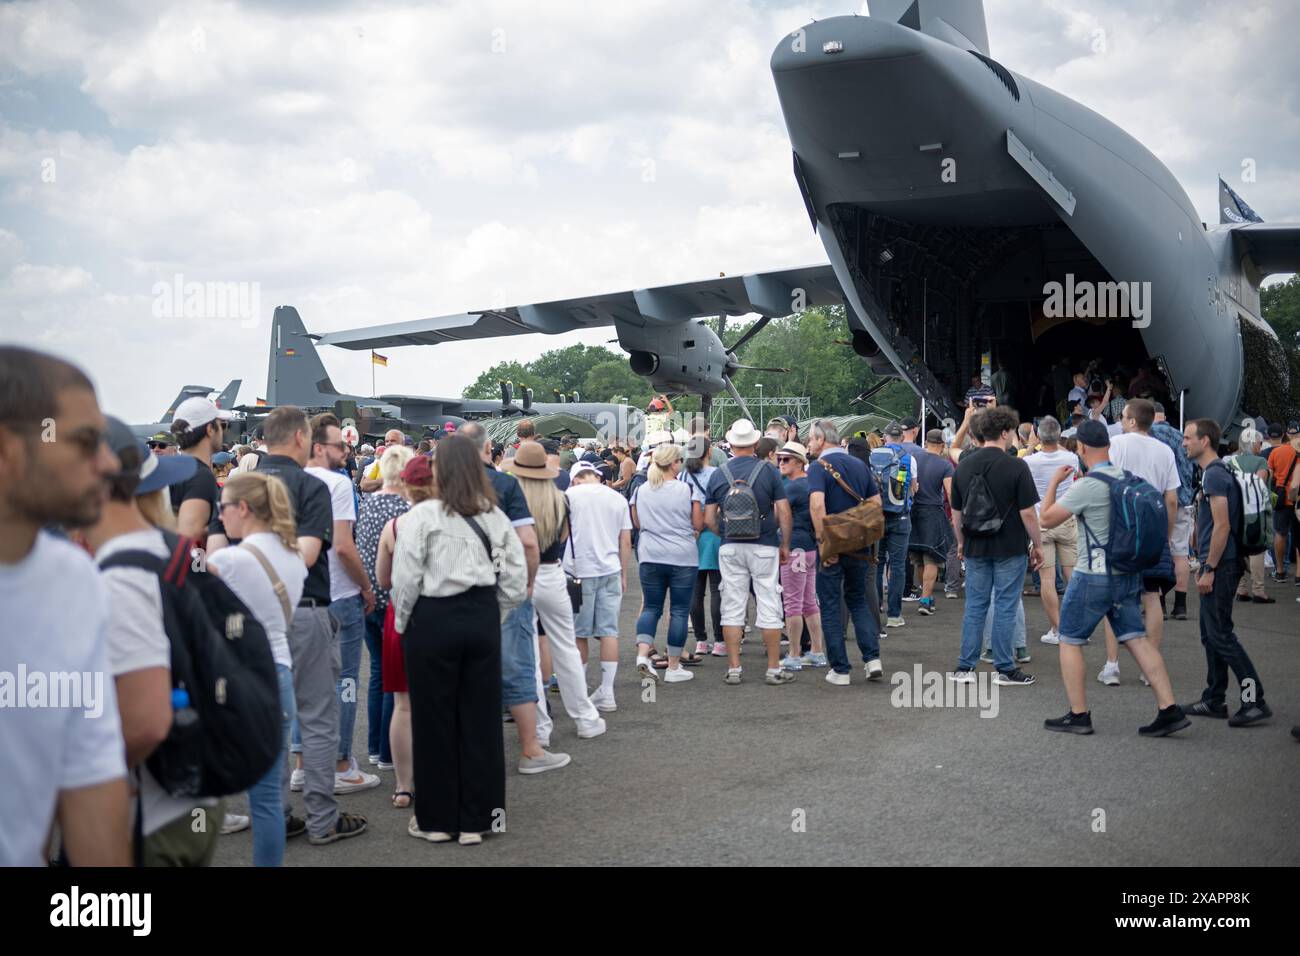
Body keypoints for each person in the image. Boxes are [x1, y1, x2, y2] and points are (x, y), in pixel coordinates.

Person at [208, 406, 367, 846]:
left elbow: (214, 546)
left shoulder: (240, 484)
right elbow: (311, 556)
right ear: (302, 438)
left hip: (246, 615)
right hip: (305, 607)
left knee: (269, 718)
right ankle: (322, 818)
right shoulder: (311, 486)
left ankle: (274, 813)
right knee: (317, 717)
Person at [0, 346, 129, 866]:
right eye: (84, 442)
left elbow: (90, 782)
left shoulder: (74, 581)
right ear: (8, 451)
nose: (110, 464)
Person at [89, 418, 231, 864]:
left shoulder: (120, 575)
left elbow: (146, 723)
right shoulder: (182, 557)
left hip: (151, 810)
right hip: (198, 784)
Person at [391, 434, 528, 844]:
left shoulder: (421, 516)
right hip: (482, 615)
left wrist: (403, 623)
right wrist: (493, 612)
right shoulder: (494, 516)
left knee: (434, 721)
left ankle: (437, 820)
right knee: (482, 719)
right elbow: (516, 579)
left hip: (432, 619)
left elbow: (406, 579)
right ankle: (478, 819)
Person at [1037, 421, 1189, 736]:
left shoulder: (1089, 485)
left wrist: (1053, 483)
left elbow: (1046, 519)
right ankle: (1169, 708)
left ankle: (1079, 714)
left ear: (1080, 448)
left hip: (1092, 574)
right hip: (1127, 573)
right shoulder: (1126, 479)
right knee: (1136, 637)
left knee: (1069, 639)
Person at [208, 471, 309, 865]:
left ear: (244, 508)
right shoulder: (295, 555)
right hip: (279, 673)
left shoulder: (228, 561)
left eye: (223, 509)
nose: (220, 516)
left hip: (234, 678)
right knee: (266, 798)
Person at [456, 422, 563, 773]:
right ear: (488, 450)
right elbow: (528, 542)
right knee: (516, 663)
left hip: (451, 589)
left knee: (463, 670)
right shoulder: (504, 484)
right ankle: (531, 750)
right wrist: (527, 582)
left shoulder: (439, 487)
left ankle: (466, 749)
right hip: (502, 586)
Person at [303, 413, 380, 793]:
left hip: (302, 596)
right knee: (346, 681)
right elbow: (344, 546)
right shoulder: (336, 484)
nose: (346, 451)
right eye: (340, 445)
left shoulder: (289, 479)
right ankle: (340, 762)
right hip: (340, 593)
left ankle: (302, 763)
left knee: (307, 682)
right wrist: (367, 586)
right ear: (320, 447)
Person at [509, 442, 608, 736]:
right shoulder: (560, 500)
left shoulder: (512, 501)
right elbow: (564, 536)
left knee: (528, 653)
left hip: (520, 574)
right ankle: (585, 719)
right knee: (565, 646)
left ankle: (540, 727)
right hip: (552, 572)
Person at [1182, 419, 1272, 726]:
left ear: (1204, 441)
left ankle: (1253, 699)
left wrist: (1208, 567)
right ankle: (1214, 698)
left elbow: (1222, 526)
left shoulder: (1215, 476)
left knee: (1222, 635)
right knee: (1211, 635)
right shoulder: (1215, 473)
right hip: (1220, 563)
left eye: (1187, 438)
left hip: (1221, 565)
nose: (1184, 443)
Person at [949, 407, 1041, 686]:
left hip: (976, 545)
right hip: (1009, 545)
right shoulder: (1016, 466)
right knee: (1005, 605)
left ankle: (965, 668)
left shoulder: (963, 465)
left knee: (975, 605)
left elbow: (956, 513)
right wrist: (1037, 545)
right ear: (1004, 433)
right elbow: (1027, 512)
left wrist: (961, 543)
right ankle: (1004, 668)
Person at [704, 419, 795, 686]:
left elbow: (709, 519)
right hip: (764, 543)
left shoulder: (719, 474)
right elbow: (784, 512)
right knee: (769, 604)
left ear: (730, 444)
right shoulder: (769, 471)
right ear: (755, 444)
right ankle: (773, 668)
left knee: (732, 606)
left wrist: (724, 533)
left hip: (730, 546)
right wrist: (785, 544)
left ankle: (734, 668)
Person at [1097, 398, 1179, 686]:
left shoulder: (1116, 445)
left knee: (1115, 598)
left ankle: (1112, 666)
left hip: (1121, 527)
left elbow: (1104, 485)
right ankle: (1149, 667)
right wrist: (1166, 535)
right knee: (1152, 596)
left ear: (1132, 421)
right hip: (1154, 528)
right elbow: (1171, 499)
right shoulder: (1165, 450)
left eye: (1123, 416)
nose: (1120, 419)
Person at [374, 455, 433, 809]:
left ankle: (402, 785)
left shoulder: (394, 527)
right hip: (439, 617)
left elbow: (382, 579)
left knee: (403, 705)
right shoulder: (452, 523)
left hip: (401, 619)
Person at [805, 419, 882, 684]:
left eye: (811, 439)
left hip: (833, 545)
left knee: (829, 605)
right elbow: (875, 503)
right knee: (858, 600)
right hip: (859, 543)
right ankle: (872, 659)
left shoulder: (818, 468)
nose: (809, 444)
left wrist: (826, 540)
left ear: (821, 439)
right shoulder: (860, 465)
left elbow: (817, 505)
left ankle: (840, 669)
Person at [355, 444, 414, 782]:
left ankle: (376, 748)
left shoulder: (368, 503)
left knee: (378, 673)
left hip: (367, 597)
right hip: (393, 598)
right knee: (397, 680)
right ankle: (391, 752)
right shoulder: (407, 509)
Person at [630, 443, 704, 682]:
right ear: (674, 464)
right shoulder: (686, 489)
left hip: (650, 554)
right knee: (680, 611)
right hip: (682, 555)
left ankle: (643, 654)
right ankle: (673, 667)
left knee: (652, 607)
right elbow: (697, 524)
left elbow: (637, 523)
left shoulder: (641, 489)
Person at [566, 458, 634, 706]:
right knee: (608, 632)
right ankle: (607, 692)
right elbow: (625, 542)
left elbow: (562, 535)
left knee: (579, 634)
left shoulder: (569, 497)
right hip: (610, 569)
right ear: (596, 475)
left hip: (577, 572)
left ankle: (579, 691)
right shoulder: (617, 498)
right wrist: (624, 573)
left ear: (575, 478)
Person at [1022, 417, 1078, 643]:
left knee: (1047, 578)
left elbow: (1021, 462)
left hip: (1040, 522)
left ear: (1037, 435)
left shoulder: (1030, 461)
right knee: (1071, 575)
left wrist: (1030, 443)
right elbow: (1064, 451)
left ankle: (1057, 629)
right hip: (1066, 519)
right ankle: (1075, 627)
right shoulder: (1071, 457)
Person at [776, 441, 826, 669]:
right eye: (779, 459)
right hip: (810, 549)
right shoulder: (809, 484)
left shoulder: (792, 487)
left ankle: (794, 654)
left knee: (793, 603)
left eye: (786, 459)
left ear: (799, 462)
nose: (781, 463)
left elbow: (778, 515)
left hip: (794, 549)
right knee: (809, 602)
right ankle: (816, 650)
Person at [1150, 401, 1196, 619]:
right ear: (1164, 415)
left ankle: (1158, 603)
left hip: (1157, 502)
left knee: (1157, 553)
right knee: (1181, 555)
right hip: (1182, 500)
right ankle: (1181, 606)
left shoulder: (1147, 436)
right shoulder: (1181, 437)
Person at [682, 435, 724, 657]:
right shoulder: (718, 474)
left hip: (691, 538)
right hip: (715, 535)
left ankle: (700, 640)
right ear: (709, 452)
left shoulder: (682, 475)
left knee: (695, 593)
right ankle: (719, 641)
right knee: (718, 590)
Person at [168, 395, 233, 540]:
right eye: (221, 425)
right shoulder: (200, 476)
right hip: (194, 562)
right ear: (210, 430)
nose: (223, 431)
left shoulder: (173, 469)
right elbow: (190, 533)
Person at [873, 422, 918, 628]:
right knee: (898, 566)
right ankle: (894, 615)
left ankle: (875, 610)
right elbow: (913, 487)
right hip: (900, 516)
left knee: (877, 563)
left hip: (876, 517)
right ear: (901, 438)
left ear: (885, 437)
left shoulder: (872, 456)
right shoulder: (909, 459)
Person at [906, 428, 955, 616]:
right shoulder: (945, 465)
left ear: (926, 442)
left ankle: (925, 597)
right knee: (932, 558)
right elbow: (950, 492)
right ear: (942, 445)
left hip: (913, 512)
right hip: (933, 513)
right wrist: (953, 515)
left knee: (919, 559)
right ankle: (926, 600)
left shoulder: (914, 459)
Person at [1230, 429, 1275, 604]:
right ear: (1254, 444)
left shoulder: (1232, 461)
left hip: (1236, 510)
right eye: (1259, 443)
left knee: (1239, 547)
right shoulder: (1261, 461)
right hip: (1256, 511)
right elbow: (1260, 483)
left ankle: (1241, 590)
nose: (1261, 446)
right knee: (1257, 548)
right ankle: (1258, 590)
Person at [1266, 421, 1300, 583]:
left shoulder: (1276, 452)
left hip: (1281, 499)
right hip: (1298, 500)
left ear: (1287, 434)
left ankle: (1280, 571)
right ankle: (1299, 574)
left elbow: (1269, 476)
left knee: (1280, 533)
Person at [360, 428, 406, 492]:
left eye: (393, 441)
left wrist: (376, 485)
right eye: (387, 441)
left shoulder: (410, 462)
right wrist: (382, 481)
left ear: (402, 443)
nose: (389, 443)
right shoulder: (380, 463)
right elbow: (364, 486)